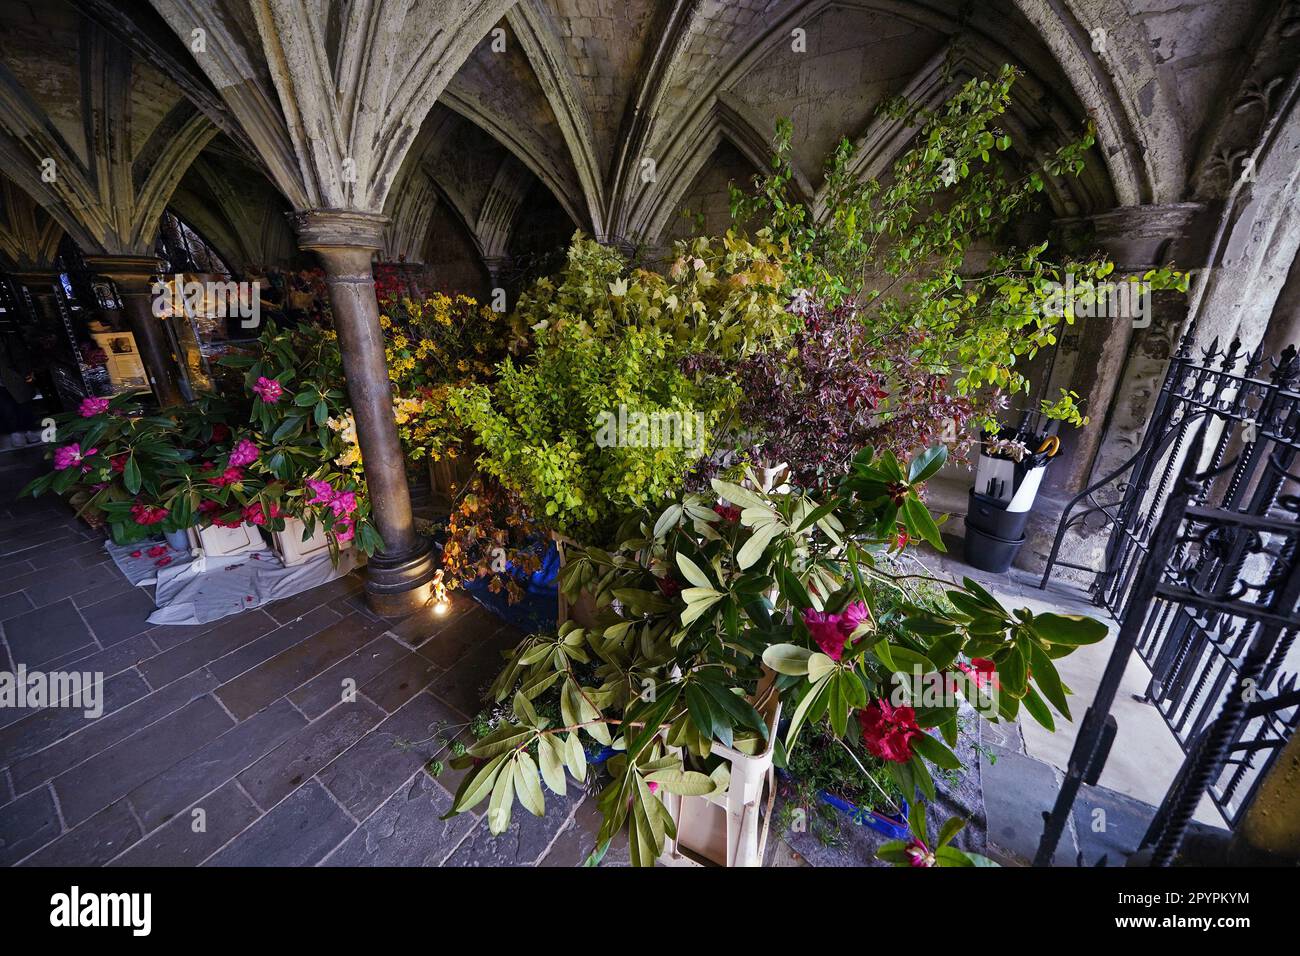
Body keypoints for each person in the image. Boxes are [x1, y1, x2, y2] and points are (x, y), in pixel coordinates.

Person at [0, 333, 41, 450]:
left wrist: (25, 373)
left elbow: (19, 356)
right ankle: (16, 432)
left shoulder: (7, 337)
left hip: (13, 377)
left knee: (22, 404)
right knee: (6, 407)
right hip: (6, 380)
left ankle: (27, 430)